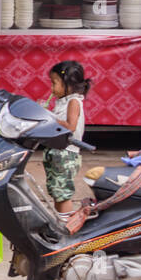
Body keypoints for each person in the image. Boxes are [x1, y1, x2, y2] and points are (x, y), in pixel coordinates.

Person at [43, 61, 89, 217]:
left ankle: (66, 224)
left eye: (54, 83)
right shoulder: (62, 101)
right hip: (57, 152)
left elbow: (70, 126)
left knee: (62, 193)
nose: (51, 88)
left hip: (66, 154)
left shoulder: (73, 102)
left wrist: (48, 118)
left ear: (69, 84)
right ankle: (59, 221)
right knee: (57, 190)